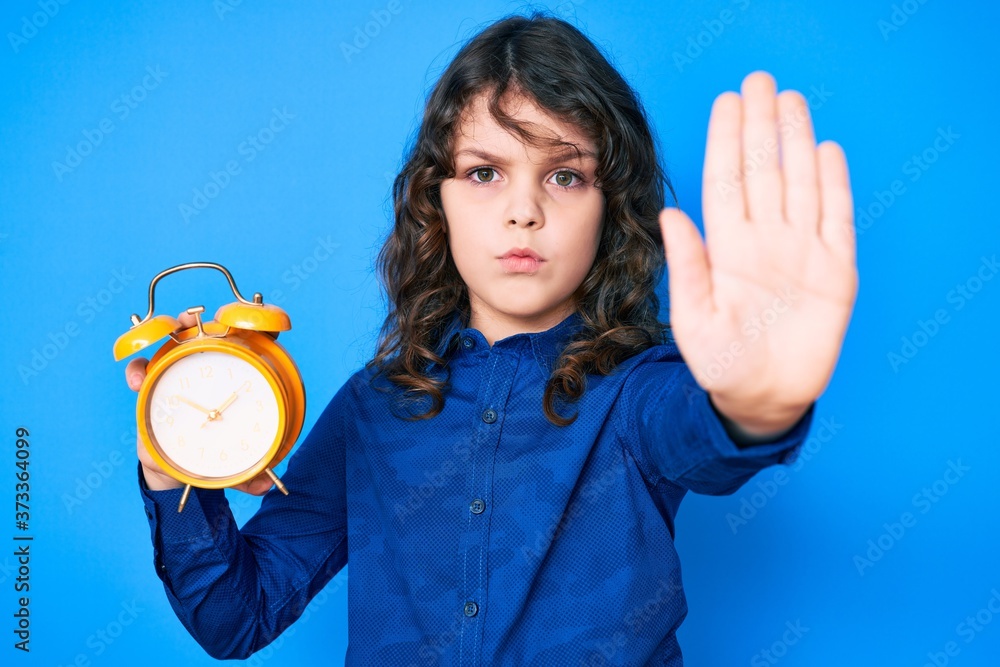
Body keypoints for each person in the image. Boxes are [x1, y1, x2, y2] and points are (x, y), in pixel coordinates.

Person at [125, 12, 857, 665]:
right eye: (484, 172)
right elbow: (235, 618)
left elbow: (700, 428)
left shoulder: (641, 391)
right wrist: (173, 458)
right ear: (434, 199)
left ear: (611, 207)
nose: (523, 211)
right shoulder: (375, 406)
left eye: (566, 176)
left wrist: (755, 401)